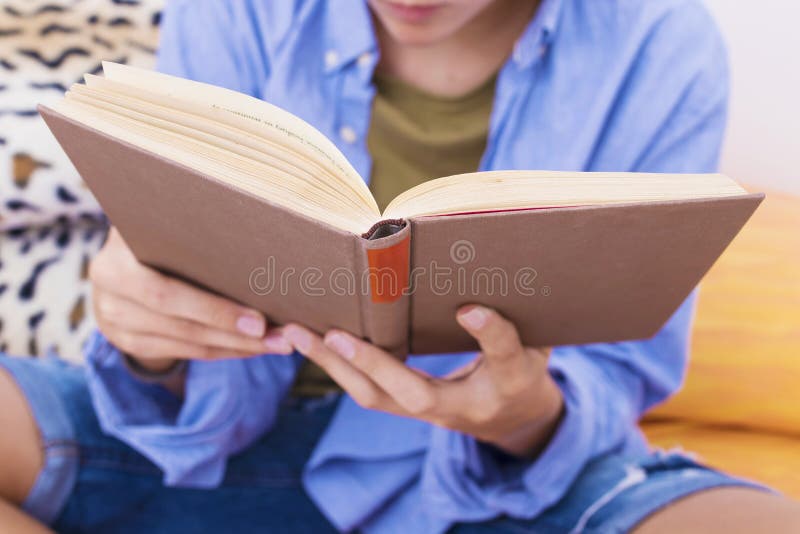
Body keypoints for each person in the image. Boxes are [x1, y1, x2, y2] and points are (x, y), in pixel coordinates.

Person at [1, 0, 799, 532]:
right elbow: (165, 311)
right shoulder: (235, 9)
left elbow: (619, 368)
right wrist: (148, 341)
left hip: (494, 490)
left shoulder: (660, 42)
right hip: (219, 448)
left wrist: (517, 416)